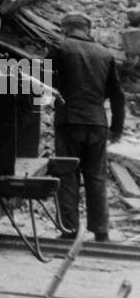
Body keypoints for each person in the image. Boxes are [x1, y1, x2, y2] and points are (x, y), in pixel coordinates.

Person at [51, 12, 125, 243]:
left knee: (67, 174)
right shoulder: (105, 54)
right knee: (96, 176)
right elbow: (118, 96)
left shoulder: (60, 48)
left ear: (65, 28)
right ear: (88, 30)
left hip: (69, 121)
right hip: (97, 123)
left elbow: (44, 84)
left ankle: (70, 229)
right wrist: (117, 128)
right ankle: (101, 230)